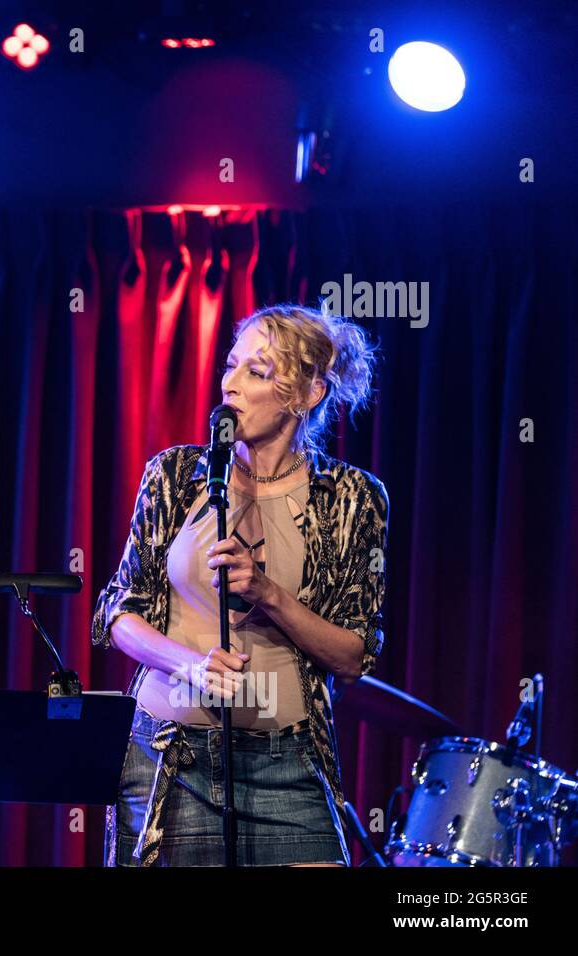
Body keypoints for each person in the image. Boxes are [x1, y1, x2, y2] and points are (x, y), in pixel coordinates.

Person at [92, 303, 388, 867]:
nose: (230, 383)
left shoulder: (352, 497)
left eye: (257, 371)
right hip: (169, 753)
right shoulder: (176, 475)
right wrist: (191, 665)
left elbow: (353, 656)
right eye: (231, 365)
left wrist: (270, 595)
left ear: (306, 396)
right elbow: (118, 613)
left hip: (287, 759)